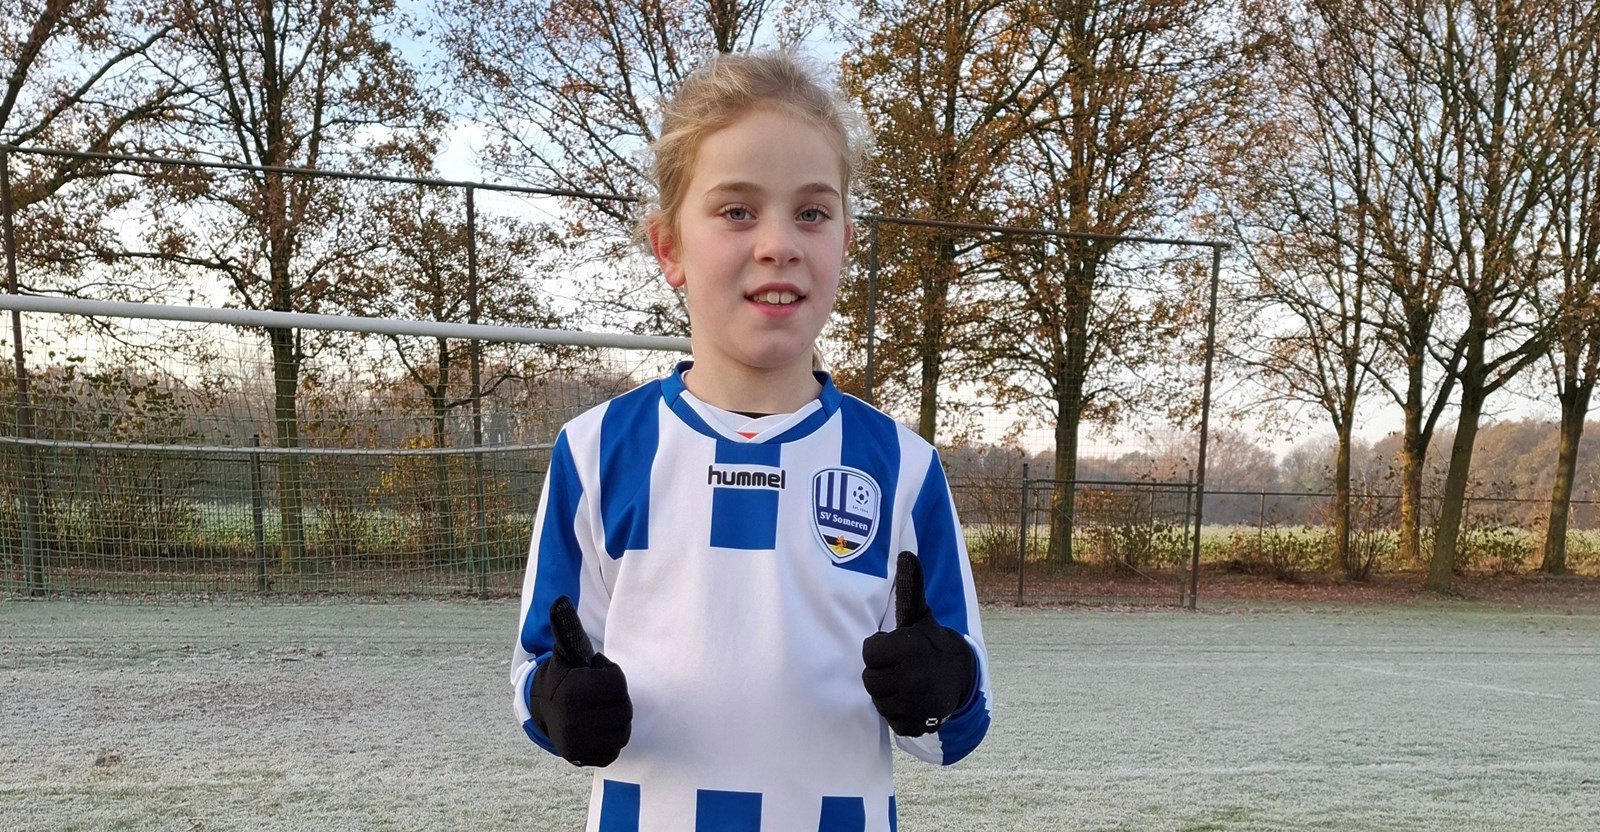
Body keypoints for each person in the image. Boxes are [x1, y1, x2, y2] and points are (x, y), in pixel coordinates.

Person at [510, 50, 992, 832]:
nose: (779, 243)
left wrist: (943, 690)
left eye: (812, 213)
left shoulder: (903, 468)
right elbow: (540, 664)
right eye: (737, 211)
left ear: (845, 239)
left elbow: (956, 731)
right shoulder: (596, 451)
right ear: (668, 247)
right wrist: (556, 702)